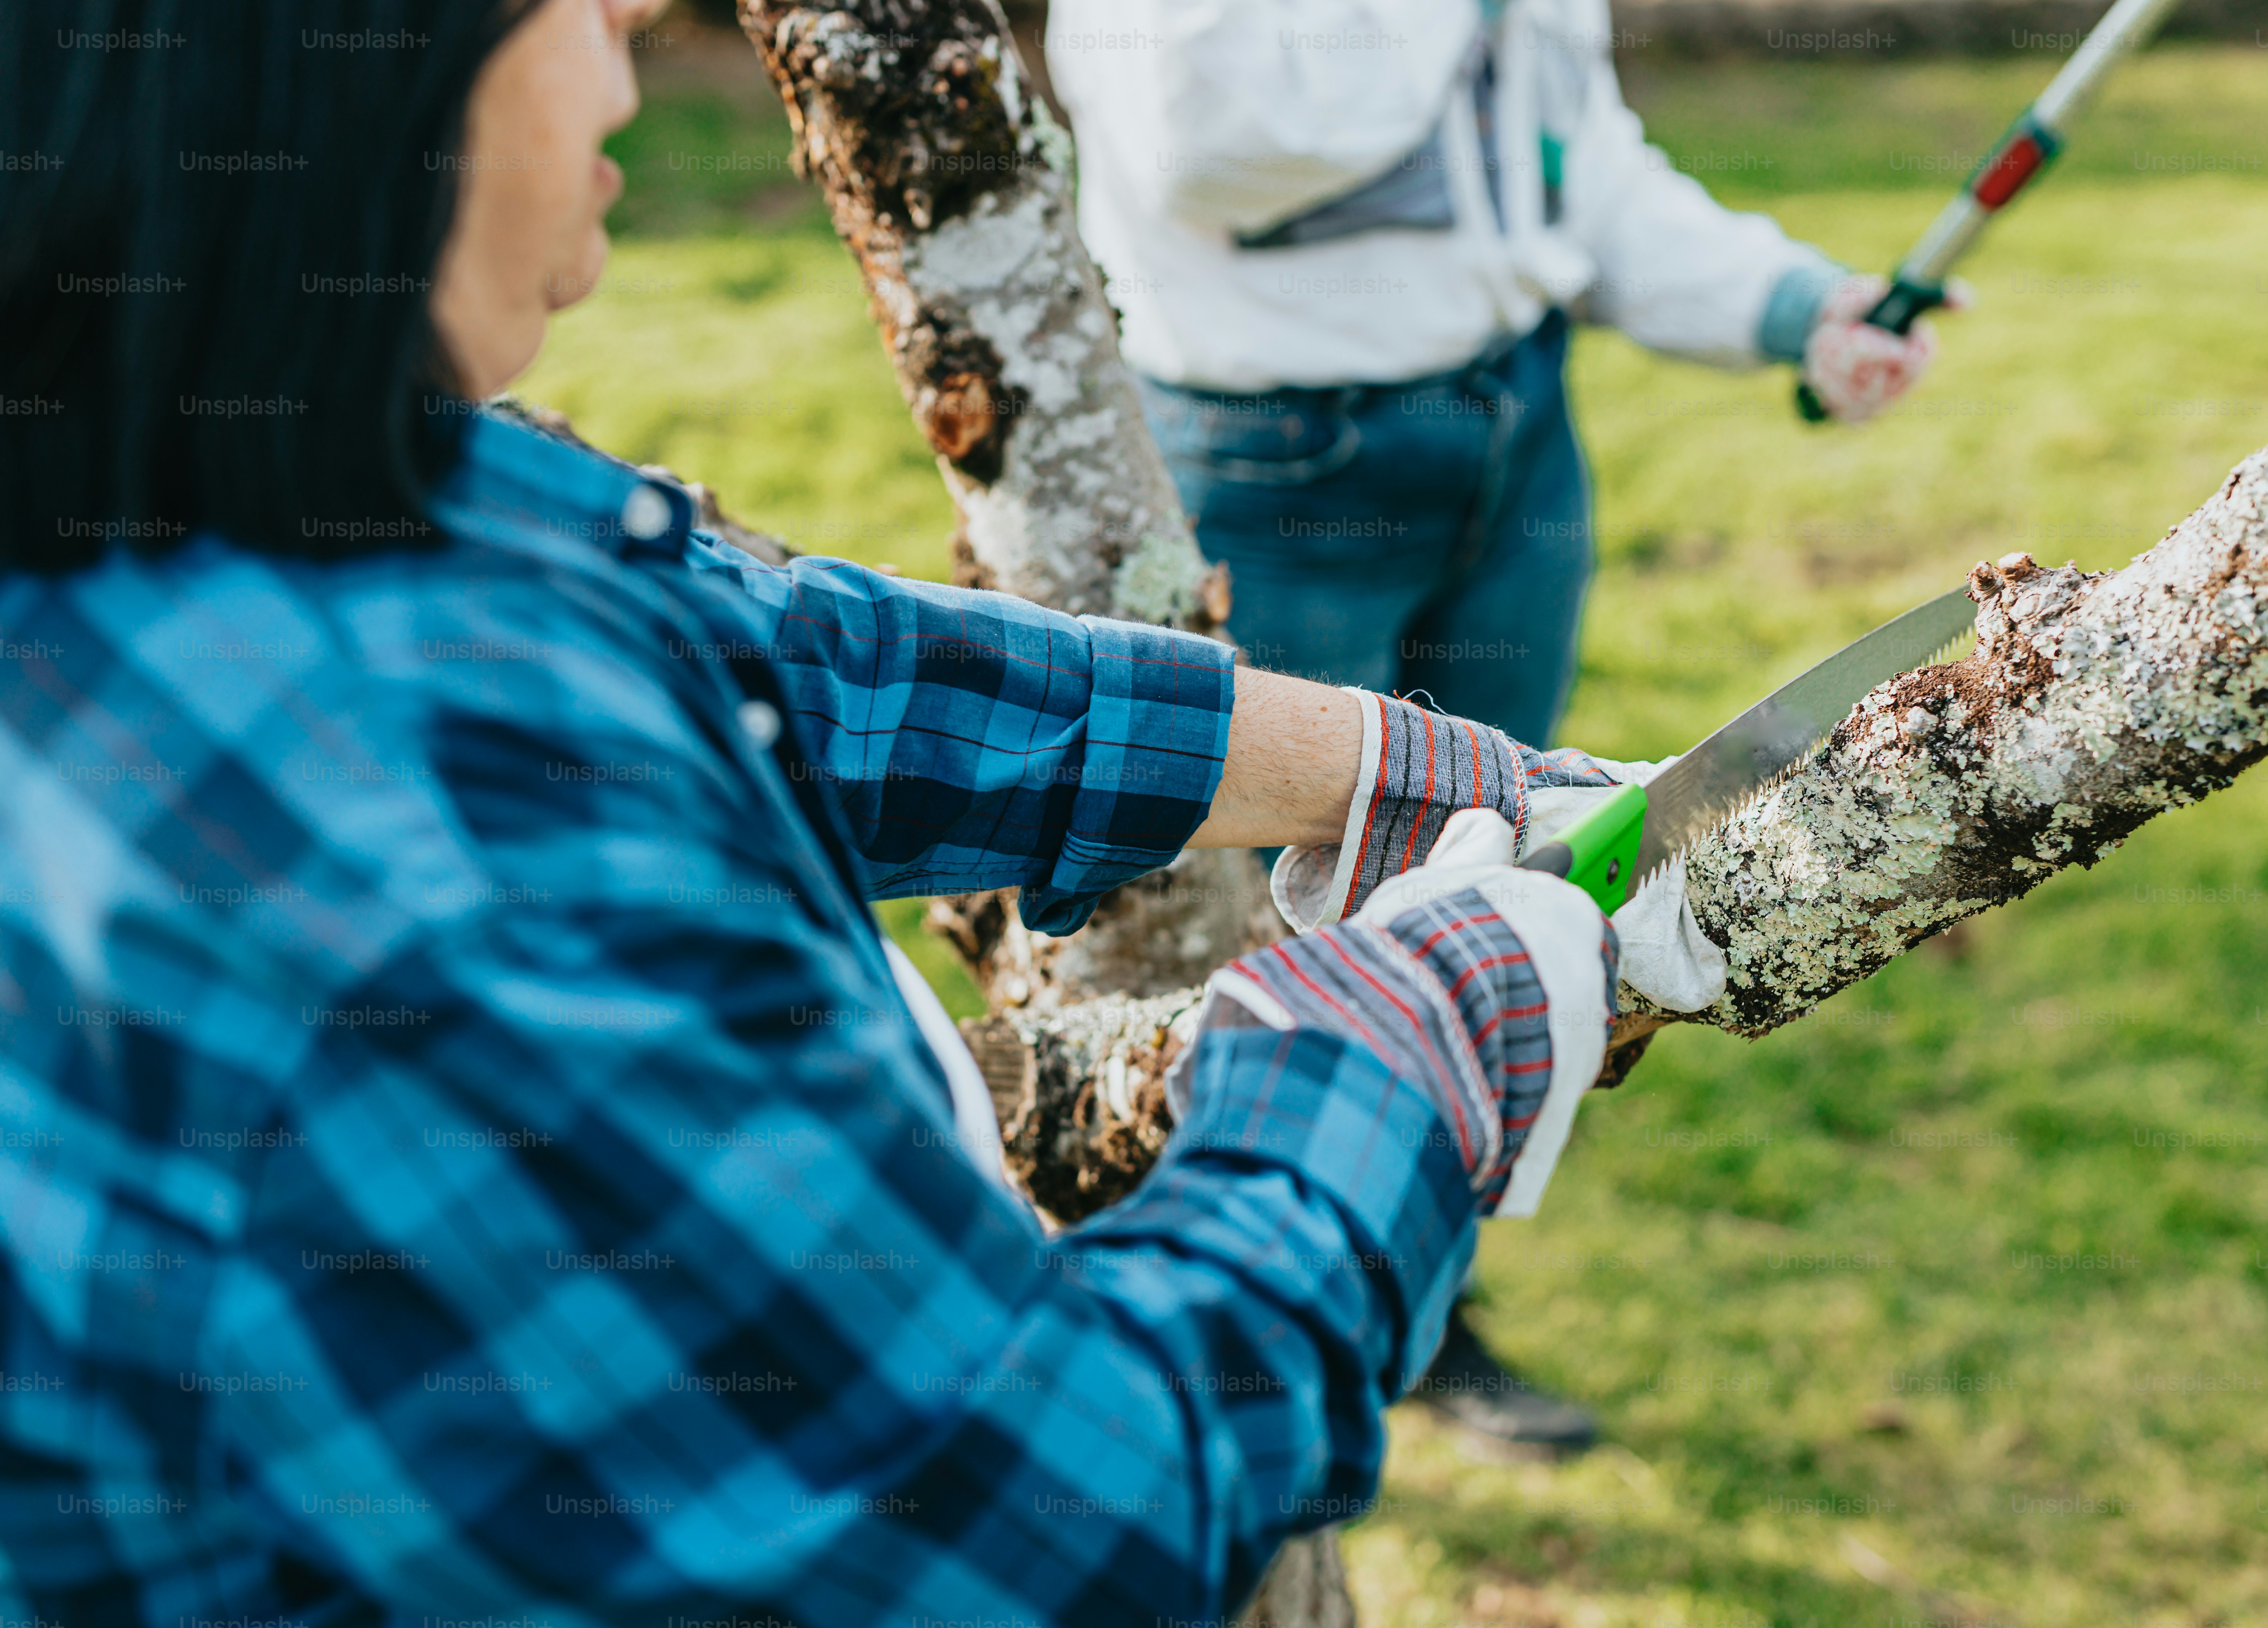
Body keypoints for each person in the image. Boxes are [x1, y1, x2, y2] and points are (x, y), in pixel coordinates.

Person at [0, 1, 1696, 1621]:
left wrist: (1384, 766)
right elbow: (1042, 1528)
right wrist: (1409, 1030)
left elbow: (806, 665)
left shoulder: (257, 473)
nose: (638, 12)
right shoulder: (422, 867)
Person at [1045, 0, 1959, 1457]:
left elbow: (1566, 160)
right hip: (1277, 462)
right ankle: (1233, 1354)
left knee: (1489, 855)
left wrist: (1788, 303)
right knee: (1257, 920)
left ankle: (1426, 1302)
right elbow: (1202, 144)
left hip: (1510, 428)